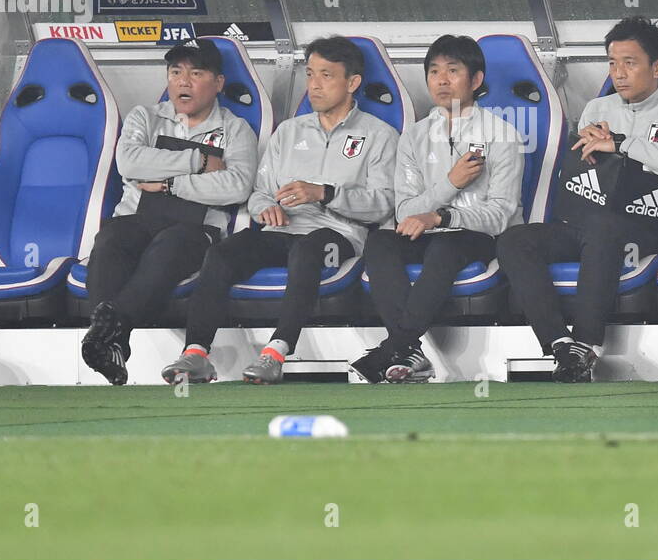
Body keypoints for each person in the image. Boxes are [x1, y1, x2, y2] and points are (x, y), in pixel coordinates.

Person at [161, 36, 398, 385]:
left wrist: (325, 193)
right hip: (281, 230)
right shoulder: (288, 132)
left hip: (339, 237)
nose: (314, 85)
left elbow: (383, 204)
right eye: (310, 74)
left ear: (353, 83)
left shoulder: (380, 135)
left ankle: (275, 352)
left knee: (309, 249)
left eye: (326, 76)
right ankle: (196, 353)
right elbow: (257, 193)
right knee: (223, 253)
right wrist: (266, 209)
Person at [498, 16, 658, 383]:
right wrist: (587, 145)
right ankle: (560, 344)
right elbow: (581, 167)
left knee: (604, 228)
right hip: (587, 223)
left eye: (630, 63)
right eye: (612, 63)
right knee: (516, 239)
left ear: (657, 67)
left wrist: (624, 144)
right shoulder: (598, 109)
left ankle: (587, 343)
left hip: (645, 227)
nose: (619, 73)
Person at [81, 38, 256, 385]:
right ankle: (110, 338)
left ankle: (109, 334)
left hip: (193, 229)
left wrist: (169, 184)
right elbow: (129, 162)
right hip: (137, 220)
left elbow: (237, 185)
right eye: (175, 72)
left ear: (218, 83)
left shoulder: (235, 129)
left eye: (196, 72)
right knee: (111, 235)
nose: (183, 81)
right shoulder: (145, 116)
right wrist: (199, 160)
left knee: (173, 241)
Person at [352, 35, 524, 384]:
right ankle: (408, 349)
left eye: (453, 71)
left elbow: (500, 215)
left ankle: (395, 346)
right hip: (429, 231)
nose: (442, 80)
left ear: (475, 81)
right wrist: (450, 184)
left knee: (447, 244)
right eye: (434, 71)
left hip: (478, 235)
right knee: (381, 242)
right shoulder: (414, 136)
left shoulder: (502, 134)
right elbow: (405, 210)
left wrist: (443, 216)